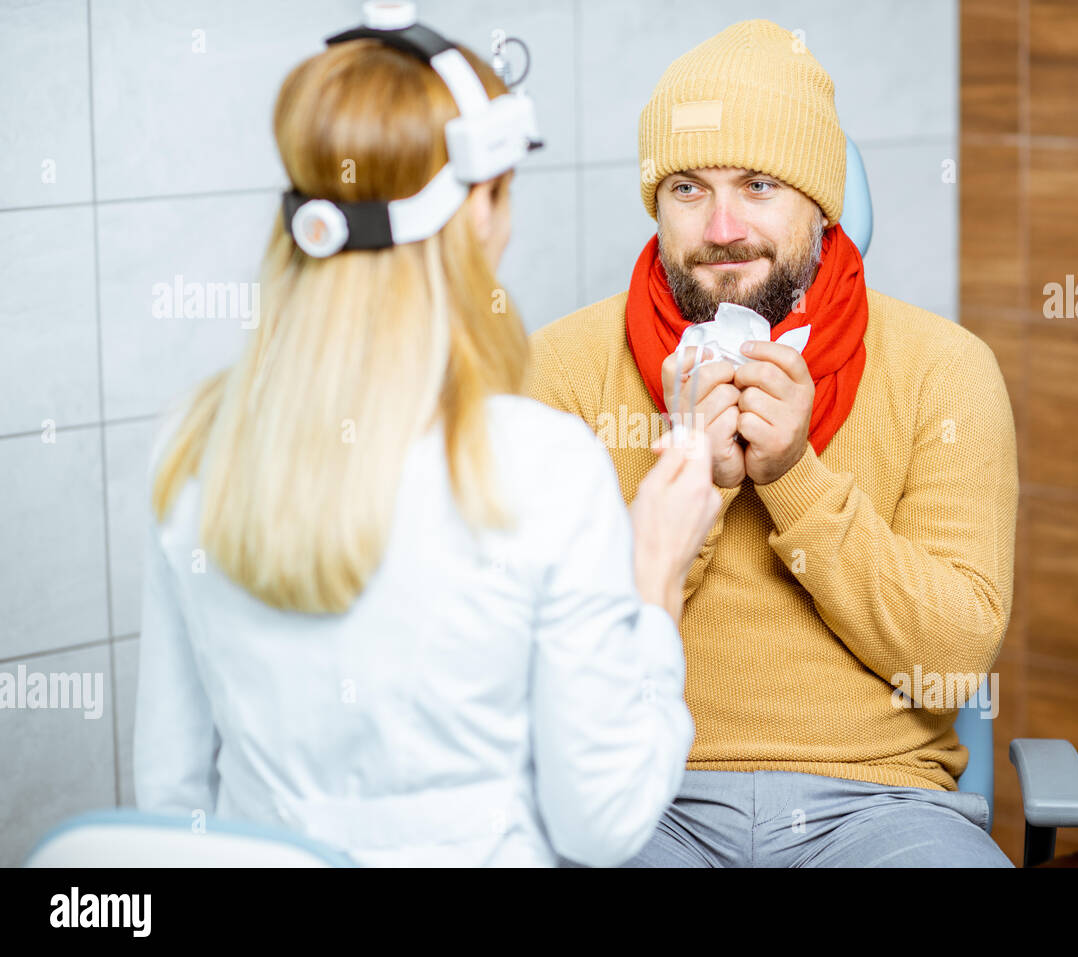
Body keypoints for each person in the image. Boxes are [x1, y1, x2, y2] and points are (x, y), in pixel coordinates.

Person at [133, 10, 720, 868]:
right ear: (478, 208)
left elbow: (172, 792)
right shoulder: (539, 468)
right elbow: (604, 822)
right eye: (505, 191)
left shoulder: (190, 450)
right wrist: (656, 580)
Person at [525, 20, 1019, 866]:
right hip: (647, 797)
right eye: (687, 187)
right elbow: (542, 652)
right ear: (655, 202)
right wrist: (696, 480)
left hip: (883, 806)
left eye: (759, 184)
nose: (722, 227)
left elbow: (954, 654)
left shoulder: (947, 369)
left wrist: (795, 477)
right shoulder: (561, 366)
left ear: (821, 204)